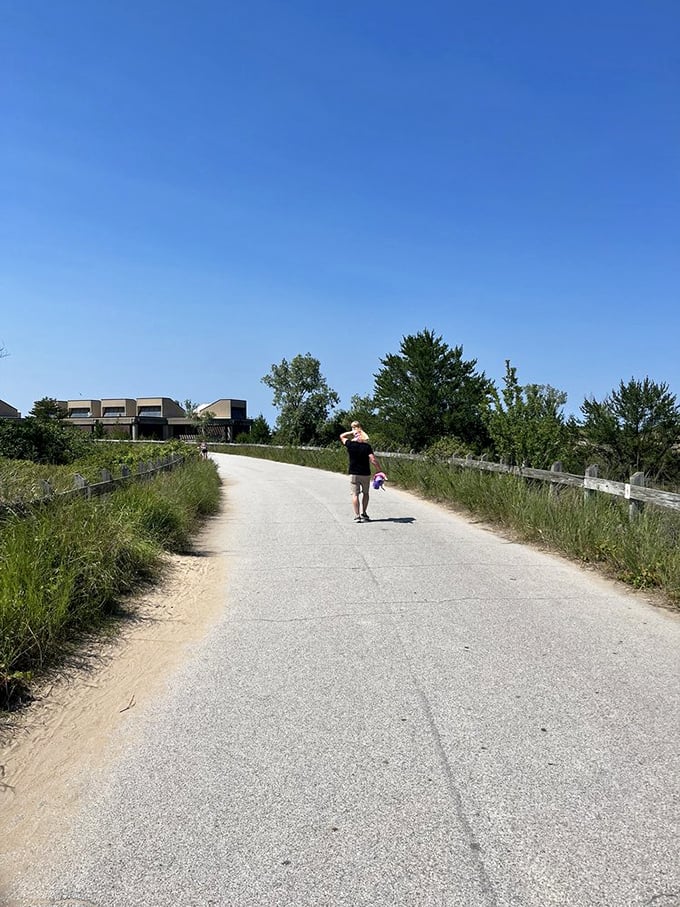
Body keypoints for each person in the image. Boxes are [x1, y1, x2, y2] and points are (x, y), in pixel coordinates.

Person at [339, 421, 383, 523]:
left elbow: (341, 436)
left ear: (354, 435)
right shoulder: (367, 446)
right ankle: (364, 513)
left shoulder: (350, 444)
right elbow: (373, 460)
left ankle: (357, 516)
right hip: (365, 474)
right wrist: (379, 471)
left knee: (355, 495)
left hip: (354, 473)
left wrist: (352, 431)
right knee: (366, 493)